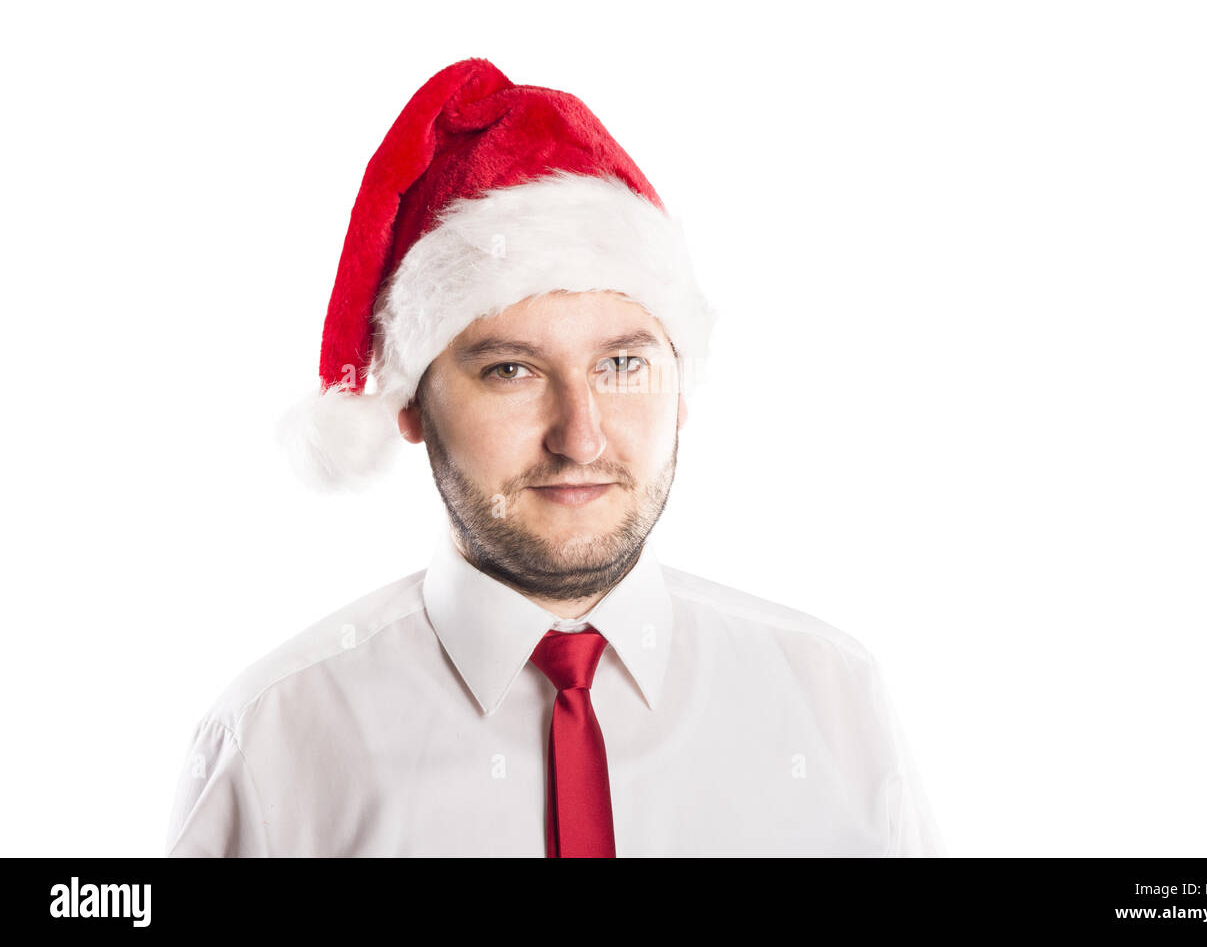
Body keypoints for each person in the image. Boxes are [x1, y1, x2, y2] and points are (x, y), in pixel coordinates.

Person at [163, 57, 945, 858]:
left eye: (621, 365)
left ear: (681, 391)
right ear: (409, 405)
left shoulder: (835, 705)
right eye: (512, 371)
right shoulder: (272, 750)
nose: (581, 437)